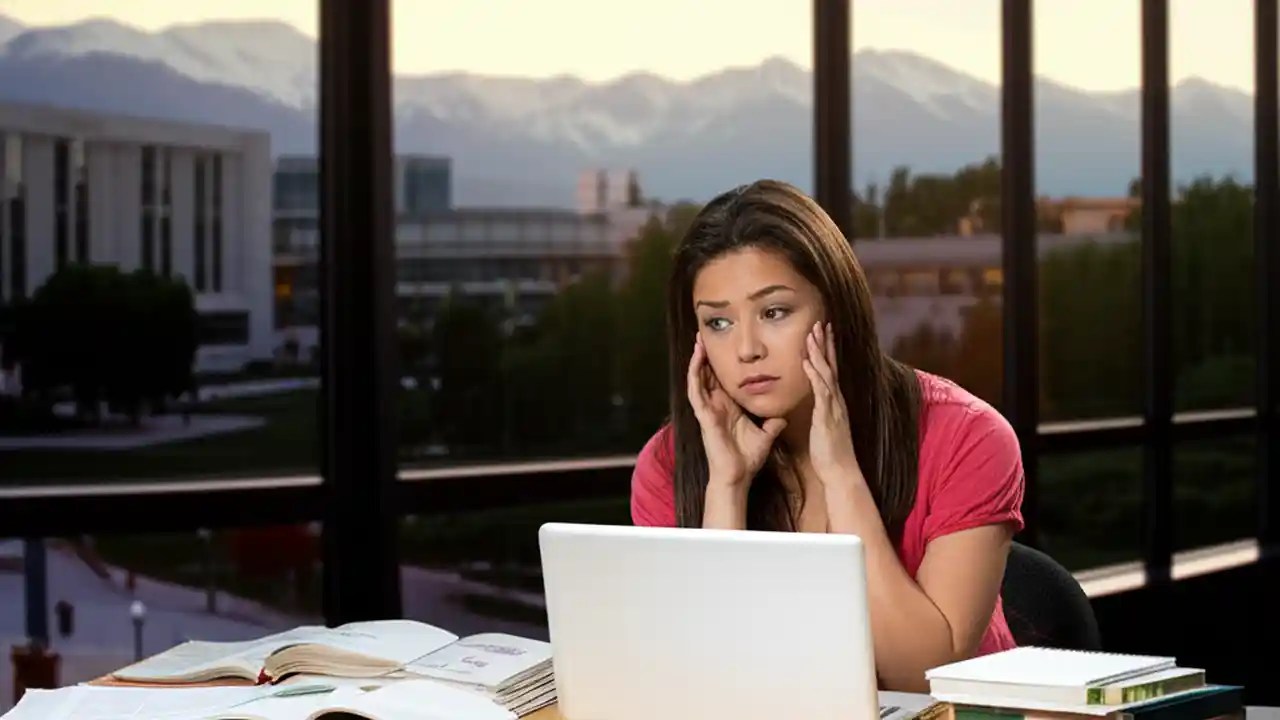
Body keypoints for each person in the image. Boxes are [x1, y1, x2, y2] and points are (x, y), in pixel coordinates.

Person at [630, 179, 1025, 693]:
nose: (746, 349)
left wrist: (842, 476)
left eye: (774, 312)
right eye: (718, 322)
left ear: (835, 311)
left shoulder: (968, 438)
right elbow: (705, 681)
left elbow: (922, 680)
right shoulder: (668, 465)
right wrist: (726, 488)